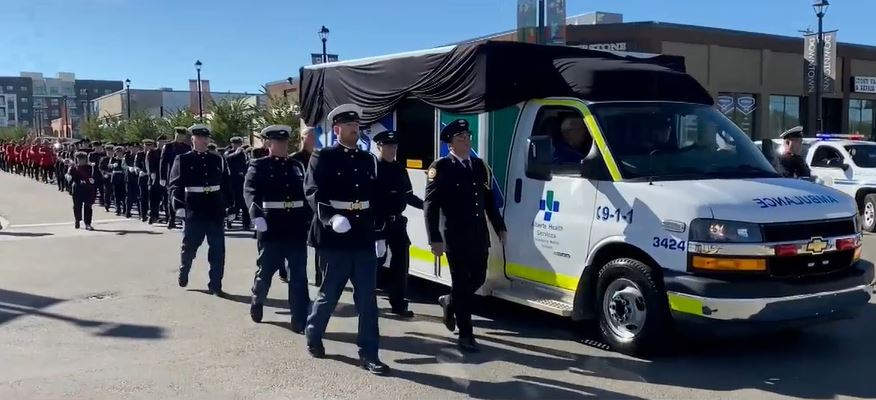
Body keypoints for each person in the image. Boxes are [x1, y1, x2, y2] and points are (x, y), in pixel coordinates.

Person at [304, 103, 388, 375]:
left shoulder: (368, 160)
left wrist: (380, 233)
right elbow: (312, 191)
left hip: (363, 235)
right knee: (330, 294)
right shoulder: (323, 156)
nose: (355, 128)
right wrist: (330, 218)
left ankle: (369, 353)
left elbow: (377, 198)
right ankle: (314, 333)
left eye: (357, 124)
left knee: (367, 299)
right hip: (336, 236)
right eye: (349, 125)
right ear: (337, 129)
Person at [424, 119, 507, 353]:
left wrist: (499, 225)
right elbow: (430, 206)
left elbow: (488, 199)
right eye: (461, 138)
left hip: (478, 234)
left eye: (468, 137)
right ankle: (466, 334)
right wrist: (435, 239)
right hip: (454, 236)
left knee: (479, 278)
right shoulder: (441, 167)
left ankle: (449, 301)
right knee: (461, 283)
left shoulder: (479, 165)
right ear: (450, 144)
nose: (467, 141)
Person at [244, 125, 311, 331]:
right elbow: (250, 192)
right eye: (277, 142)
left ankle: (299, 318)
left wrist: (310, 221)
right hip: (271, 226)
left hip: (295, 228)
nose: (282, 145)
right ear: (267, 144)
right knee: (266, 272)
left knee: (298, 276)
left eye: (285, 142)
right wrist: (256, 216)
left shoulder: (297, 166)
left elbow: (307, 194)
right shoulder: (259, 166)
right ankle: (257, 298)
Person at [169, 124, 232, 297]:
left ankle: (215, 284)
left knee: (218, 250)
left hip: (214, 208)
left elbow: (226, 184)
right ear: (193, 140)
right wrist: (179, 206)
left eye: (206, 138)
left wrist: (231, 205)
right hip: (194, 209)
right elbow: (175, 185)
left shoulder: (217, 159)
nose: (204, 141)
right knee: (190, 247)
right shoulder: (183, 159)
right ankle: (184, 269)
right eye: (201, 138)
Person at [372, 130, 423, 318]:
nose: (392, 150)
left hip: (397, 222)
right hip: (378, 223)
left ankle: (398, 303)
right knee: (374, 265)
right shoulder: (373, 168)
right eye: (388, 146)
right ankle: (368, 303)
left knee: (401, 264)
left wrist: (428, 206)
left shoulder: (400, 168)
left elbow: (408, 195)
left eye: (394, 146)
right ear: (379, 147)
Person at [291, 127, 318, 285]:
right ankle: (289, 272)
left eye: (315, 136)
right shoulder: (295, 159)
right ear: (302, 139)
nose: (314, 139)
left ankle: (319, 276)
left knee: (318, 242)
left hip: (313, 206)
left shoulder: (318, 157)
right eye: (310, 136)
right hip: (298, 206)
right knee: (298, 244)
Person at [160, 127, 192, 229]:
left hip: (184, 176)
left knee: (184, 196)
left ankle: (184, 218)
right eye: (178, 135)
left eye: (182, 136)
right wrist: (162, 177)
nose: (180, 137)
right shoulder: (168, 146)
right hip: (172, 176)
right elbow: (163, 162)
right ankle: (171, 219)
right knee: (171, 197)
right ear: (175, 135)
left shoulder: (187, 147)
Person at [66, 151, 99, 230]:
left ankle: (87, 223)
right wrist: (68, 177)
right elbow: (69, 177)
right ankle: (77, 220)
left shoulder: (90, 167)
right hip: (77, 189)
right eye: (78, 159)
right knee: (77, 206)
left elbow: (95, 177)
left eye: (82, 159)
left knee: (88, 206)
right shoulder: (73, 168)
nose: (80, 161)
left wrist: (93, 181)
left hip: (88, 189)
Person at [224, 136, 251, 230]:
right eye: (236, 144)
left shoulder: (243, 154)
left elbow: (246, 164)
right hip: (232, 182)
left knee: (244, 204)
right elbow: (226, 158)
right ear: (232, 144)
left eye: (239, 144)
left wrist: (244, 171)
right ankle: (229, 221)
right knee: (234, 204)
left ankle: (246, 224)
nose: (238, 145)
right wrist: (235, 153)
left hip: (242, 181)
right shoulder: (229, 152)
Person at [146, 136, 165, 224]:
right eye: (160, 142)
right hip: (155, 177)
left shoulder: (166, 151)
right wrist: (152, 173)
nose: (162, 144)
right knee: (154, 199)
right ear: (157, 143)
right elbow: (149, 164)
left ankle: (168, 217)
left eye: (163, 142)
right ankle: (153, 216)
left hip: (165, 177)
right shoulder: (153, 152)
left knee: (166, 198)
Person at [136, 140, 155, 222]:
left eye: (150, 145)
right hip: (143, 178)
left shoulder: (155, 154)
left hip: (152, 178)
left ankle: (152, 215)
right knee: (143, 197)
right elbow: (136, 165)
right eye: (146, 145)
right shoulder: (140, 154)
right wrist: (139, 171)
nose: (148, 147)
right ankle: (143, 215)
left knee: (152, 198)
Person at [107, 146, 127, 216]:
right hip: (115, 177)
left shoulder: (124, 159)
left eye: (120, 152)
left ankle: (125, 209)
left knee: (124, 194)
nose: (119, 153)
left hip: (122, 177)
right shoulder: (113, 159)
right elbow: (109, 166)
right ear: (115, 152)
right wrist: (112, 165)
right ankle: (118, 209)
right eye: (117, 152)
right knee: (116, 194)